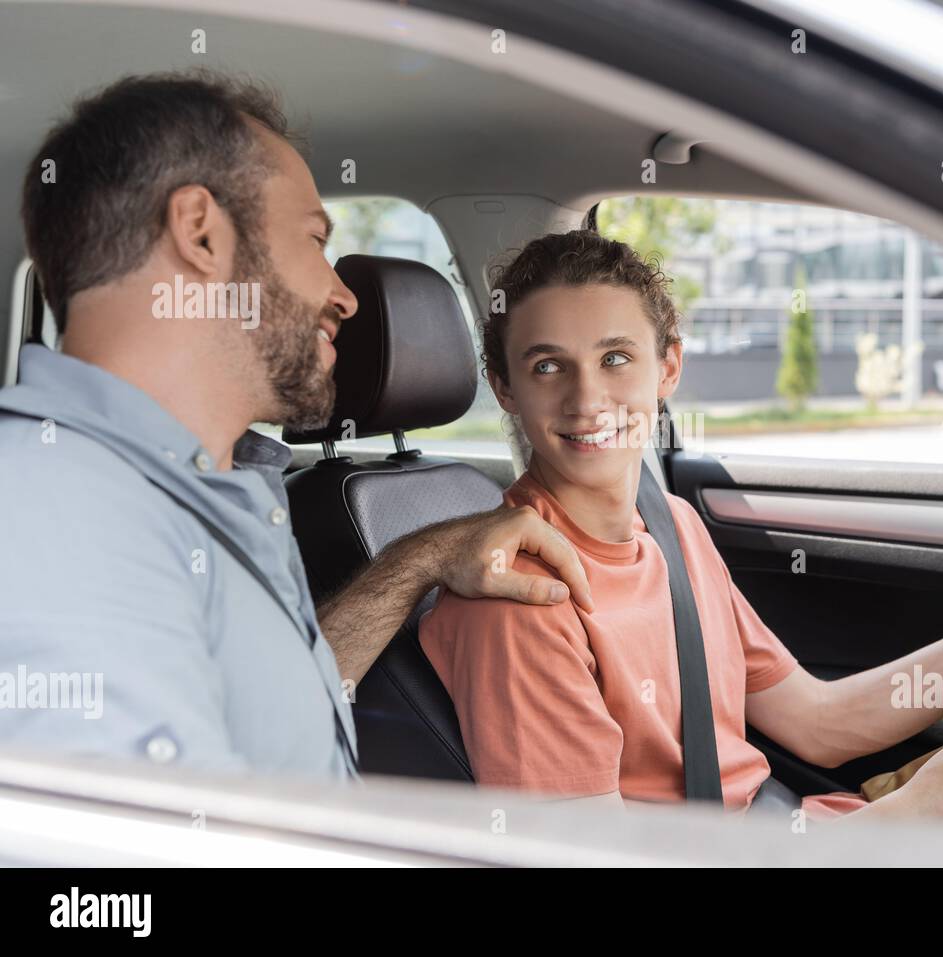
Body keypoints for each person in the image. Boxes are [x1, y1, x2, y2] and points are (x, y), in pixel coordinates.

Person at [0, 71, 592, 777]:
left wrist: (420, 562)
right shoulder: (51, 516)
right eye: (314, 240)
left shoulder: (218, 478)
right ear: (202, 234)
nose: (343, 295)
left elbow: (275, 723)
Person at [419, 230, 943, 820]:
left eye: (616, 358)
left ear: (668, 366)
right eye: (548, 365)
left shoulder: (672, 526)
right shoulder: (521, 598)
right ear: (505, 388)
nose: (588, 399)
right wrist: (921, 810)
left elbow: (817, 722)